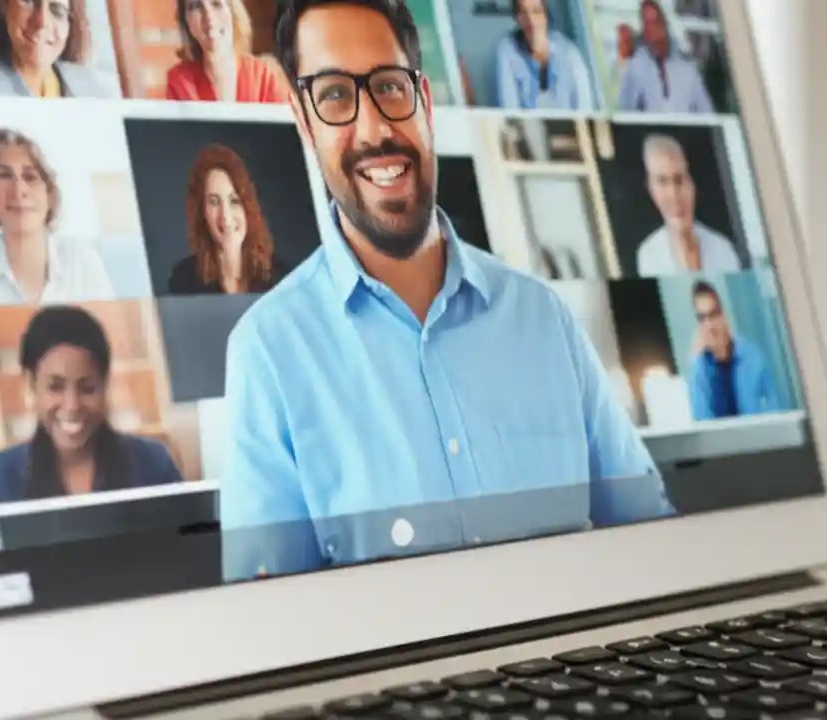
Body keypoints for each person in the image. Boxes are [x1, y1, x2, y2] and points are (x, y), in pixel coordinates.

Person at [221, 0, 675, 580]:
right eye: (335, 95)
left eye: (389, 86)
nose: (375, 127)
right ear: (304, 122)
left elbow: (655, 549)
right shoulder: (268, 352)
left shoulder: (542, 318)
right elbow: (274, 634)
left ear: (425, 101)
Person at [0, 306, 182, 504]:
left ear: (105, 385)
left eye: (88, 388)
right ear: (31, 385)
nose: (72, 405)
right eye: (55, 387)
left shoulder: (152, 463)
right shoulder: (2, 475)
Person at [0, 128, 115, 306]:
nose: (19, 191)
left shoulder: (83, 262)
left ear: (49, 192)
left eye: (30, 176)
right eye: (4, 176)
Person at [167, 144, 279, 294]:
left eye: (234, 201)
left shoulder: (284, 277)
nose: (225, 216)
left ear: (247, 207)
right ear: (202, 211)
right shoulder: (182, 279)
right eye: (214, 202)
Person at [0, 0, 115, 98]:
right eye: (29, 2)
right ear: (3, 6)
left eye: (57, 11)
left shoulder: (96, 94)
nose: (41, 22)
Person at [635, 133, 740, 278]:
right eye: (662, 182)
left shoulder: (722, 248)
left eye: (679, 180)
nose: (673, 194)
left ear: (692, 185)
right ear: (651, 190)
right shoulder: (649, 256)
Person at [688, 281, 785, 421]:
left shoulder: (752, 358)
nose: (709, 325)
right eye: (702, 318)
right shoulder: (700, 370)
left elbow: (775, 411)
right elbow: (702, 425)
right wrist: (695, 363)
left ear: (723, 315)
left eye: (713, 315)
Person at [165, 0, 286, 103]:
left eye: (216, 4)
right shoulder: (180, 81)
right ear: (186, 22)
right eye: (196, 6)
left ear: (232, 12)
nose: (209, 17)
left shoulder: (265, 77)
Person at [494, 0, 596, 110]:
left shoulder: (569, 54)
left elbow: (585, 109)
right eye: (523, 13)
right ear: (517, 18)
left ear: (545, 15)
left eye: (536, 11)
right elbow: (509, 108)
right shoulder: (508, 51)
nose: (531, 20)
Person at [618, 0, 713, 113]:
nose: (651, 32)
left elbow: (706, 112)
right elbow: (626, 112)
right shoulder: (635, 69)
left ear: (664, 25)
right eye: (647, 26)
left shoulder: (687, 69)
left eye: (655, 24)